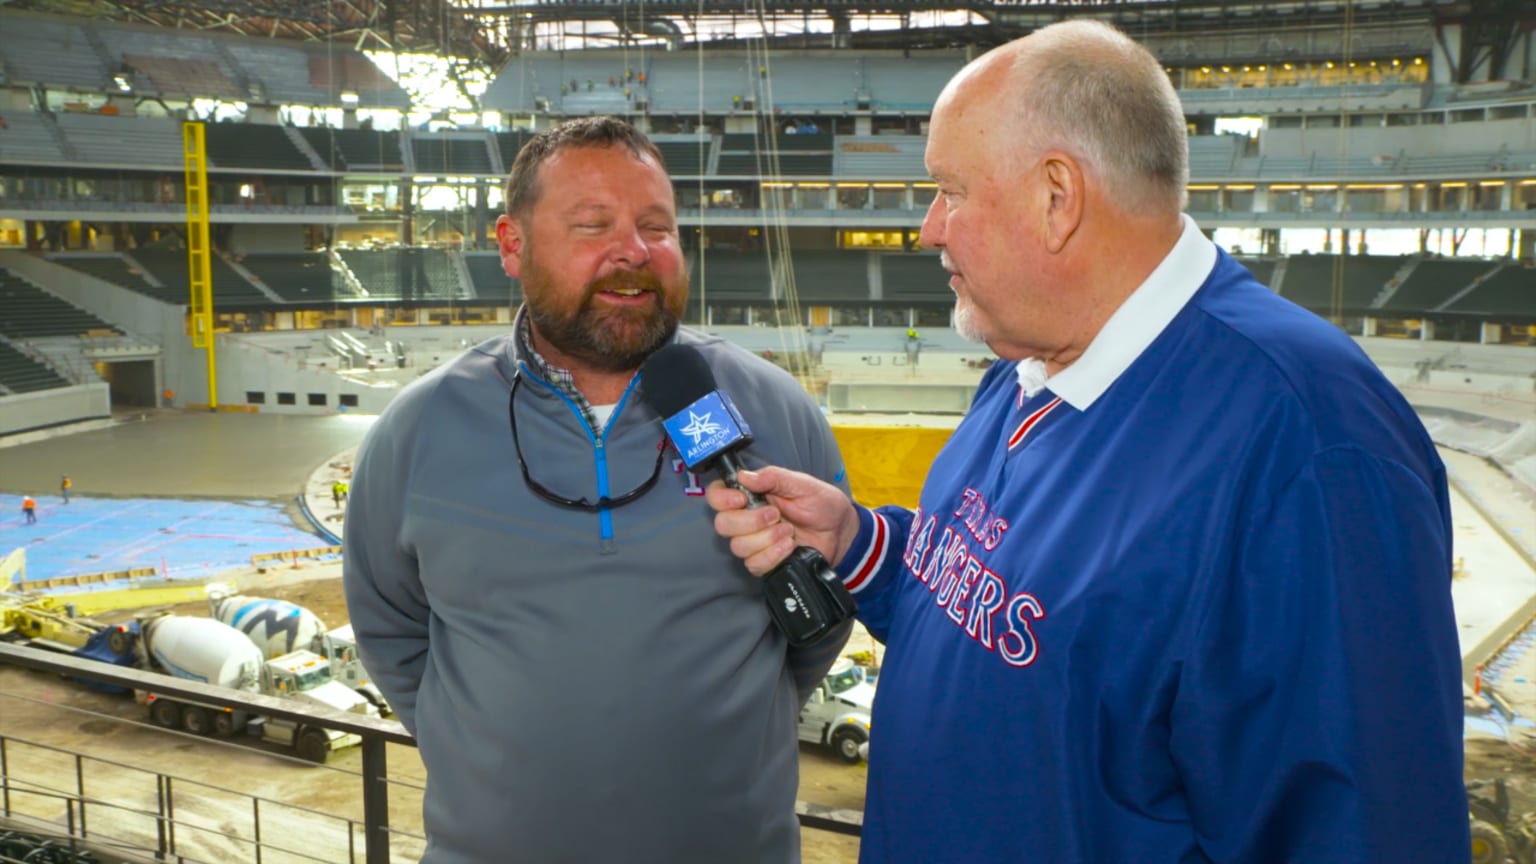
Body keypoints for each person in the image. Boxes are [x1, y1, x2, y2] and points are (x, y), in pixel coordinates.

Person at [705, 20, 1466, 864]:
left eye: (951, 190)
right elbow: (1012, 608)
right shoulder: (1030, 357)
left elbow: (1358, 833)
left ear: (1057, 197)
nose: (929, 227)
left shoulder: (1312, 452)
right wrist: (858, 544)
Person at [342, 116, 851, 864]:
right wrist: (494, 761)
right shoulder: (416, 431)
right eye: (593, 226)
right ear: (512, 246)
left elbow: (819, 618)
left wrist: (731, 741)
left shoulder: (775, 411)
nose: (634, 253)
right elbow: (391, 632)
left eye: (657, 227)